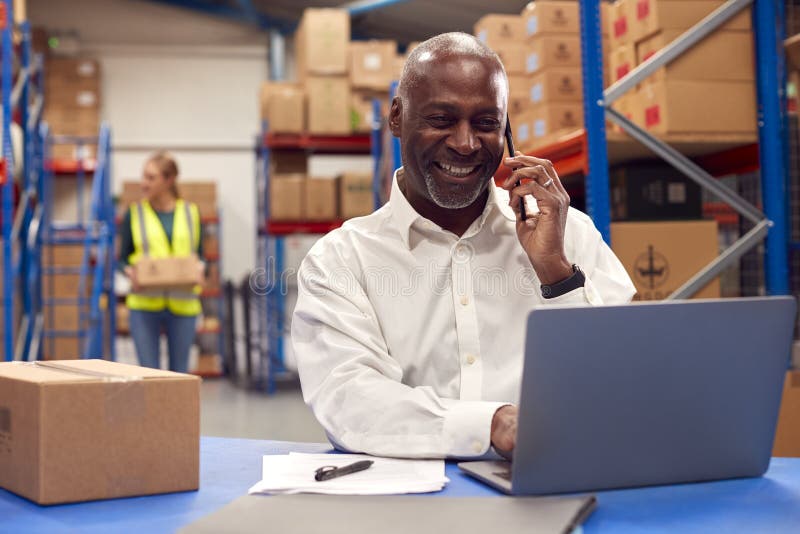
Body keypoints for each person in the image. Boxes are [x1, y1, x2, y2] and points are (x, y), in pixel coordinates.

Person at [292, 33, 636, 459]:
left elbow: (621, 379)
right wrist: (491, 424)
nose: (465, 143)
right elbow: (348, 398)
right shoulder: (341, 260)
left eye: (486, 124)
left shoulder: (570, 237)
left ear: (507, 132)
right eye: (441, 119)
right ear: (397, 117)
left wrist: (557, 274)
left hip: (548, 497)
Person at [119, 151, 204, 373]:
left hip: (183, 304)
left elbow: (200, 254)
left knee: (179, 375)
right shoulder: (134, 214)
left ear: (168, 180)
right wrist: (129, 272)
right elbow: (121, 259)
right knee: (149, 376)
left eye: (150, 178)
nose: (143, 183)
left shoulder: (191, 212)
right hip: (145, 304)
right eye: (143, 176)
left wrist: (201, 268)